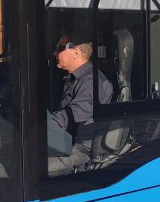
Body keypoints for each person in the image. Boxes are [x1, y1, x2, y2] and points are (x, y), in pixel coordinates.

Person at [47, 40, 113, 175]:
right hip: (66, 141)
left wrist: (45, 123)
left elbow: (73, 114)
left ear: (76, 52)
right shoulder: (75, 78)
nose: (55, 53)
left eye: (59, 48)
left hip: (79, 150)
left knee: (28, 168)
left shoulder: (93, 82)